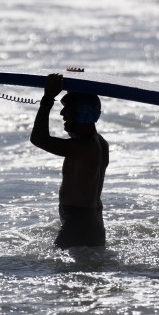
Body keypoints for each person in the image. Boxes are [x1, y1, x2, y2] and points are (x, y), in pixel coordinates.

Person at [30, 73, 109, 249]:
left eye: (69, 108)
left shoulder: (83, 147)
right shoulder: (99, 143)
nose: (62, 113)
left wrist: (48, 98)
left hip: (78, 226)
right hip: (91, 224)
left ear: (82, 113)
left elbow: (38, 139)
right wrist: (76, 82)